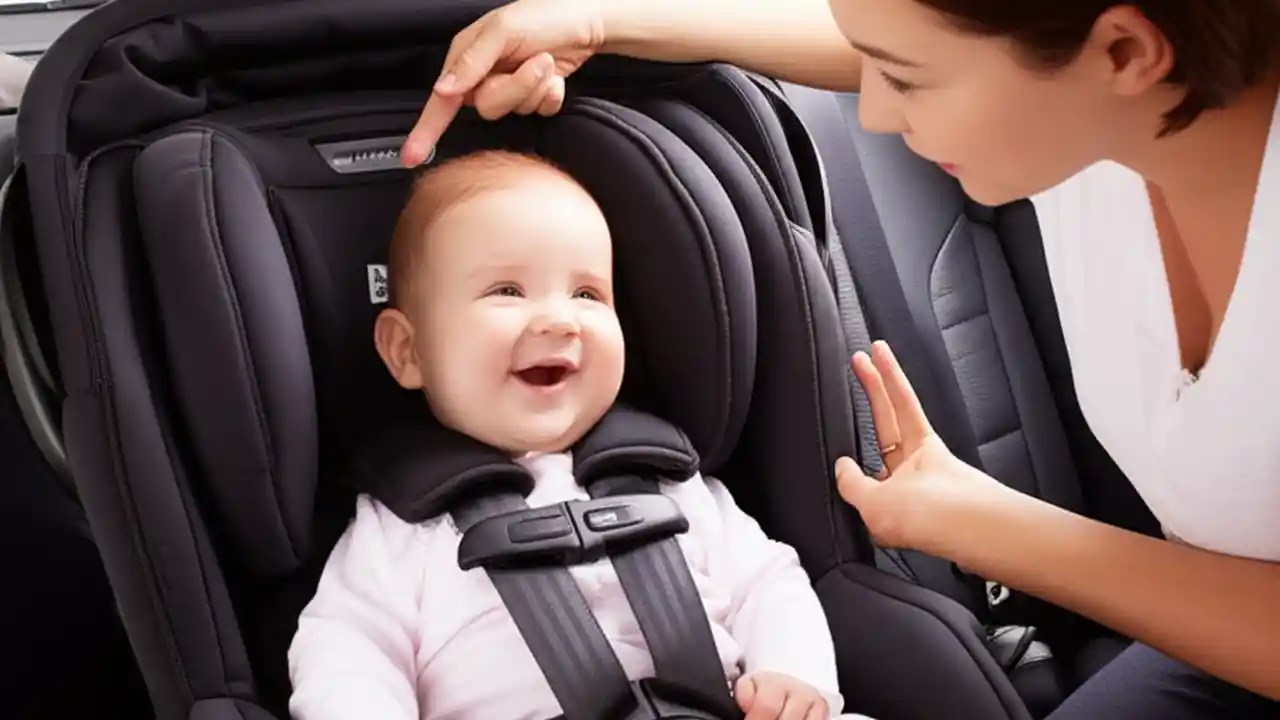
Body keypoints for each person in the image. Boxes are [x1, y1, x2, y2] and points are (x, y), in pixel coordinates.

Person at [397, 2, 1280, 719]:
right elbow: (949, 37)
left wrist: (990, 528)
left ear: (1125, 53)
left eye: (906, 79)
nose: (875, 113)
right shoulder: (1095, 122)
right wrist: (600, 19)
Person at [287, 149, 868, 720]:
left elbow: (767, 585)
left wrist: (793, 672)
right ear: (408, 352)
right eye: (507, 291)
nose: (559, 319)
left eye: (587, 294)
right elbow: (345, 659)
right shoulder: (399, 534)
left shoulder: (673, 485)